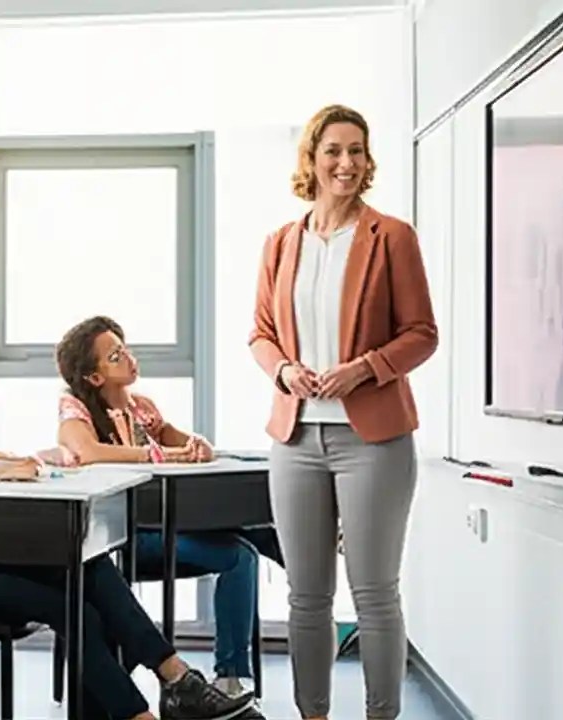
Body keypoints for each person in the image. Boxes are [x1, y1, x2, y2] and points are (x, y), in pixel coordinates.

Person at [0, 351, 259, 720]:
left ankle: (170, 683)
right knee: (67, 601)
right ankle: (168, 694)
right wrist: (0, 470)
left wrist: (39, 458)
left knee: (86, 568)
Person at [249, 104, 437, 720]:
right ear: (312, 157)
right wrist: (283, 369)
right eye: (333, 150)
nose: (346, 163)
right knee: (305, 597)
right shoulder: (282, 242)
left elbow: (421, 333)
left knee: (375, 594)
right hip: (296, 436)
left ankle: (381, 715)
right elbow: (260, 333)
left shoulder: (392, 237)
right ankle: (313, 715)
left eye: (357, 151)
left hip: (374, 441)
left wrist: (365, 368)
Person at [54, 315, 261, 695]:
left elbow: (186, 443)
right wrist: (162, 454)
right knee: (242, 553)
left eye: (125, 348)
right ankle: (231, 675)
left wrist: (196, 444)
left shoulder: (142, 408)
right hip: (123, 540)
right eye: (116, 355)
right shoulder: (75, 411)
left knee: (253, 535)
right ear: (94, 377)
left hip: (167, 525)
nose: (129, 358)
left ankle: (231, 672)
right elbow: (87, 451)